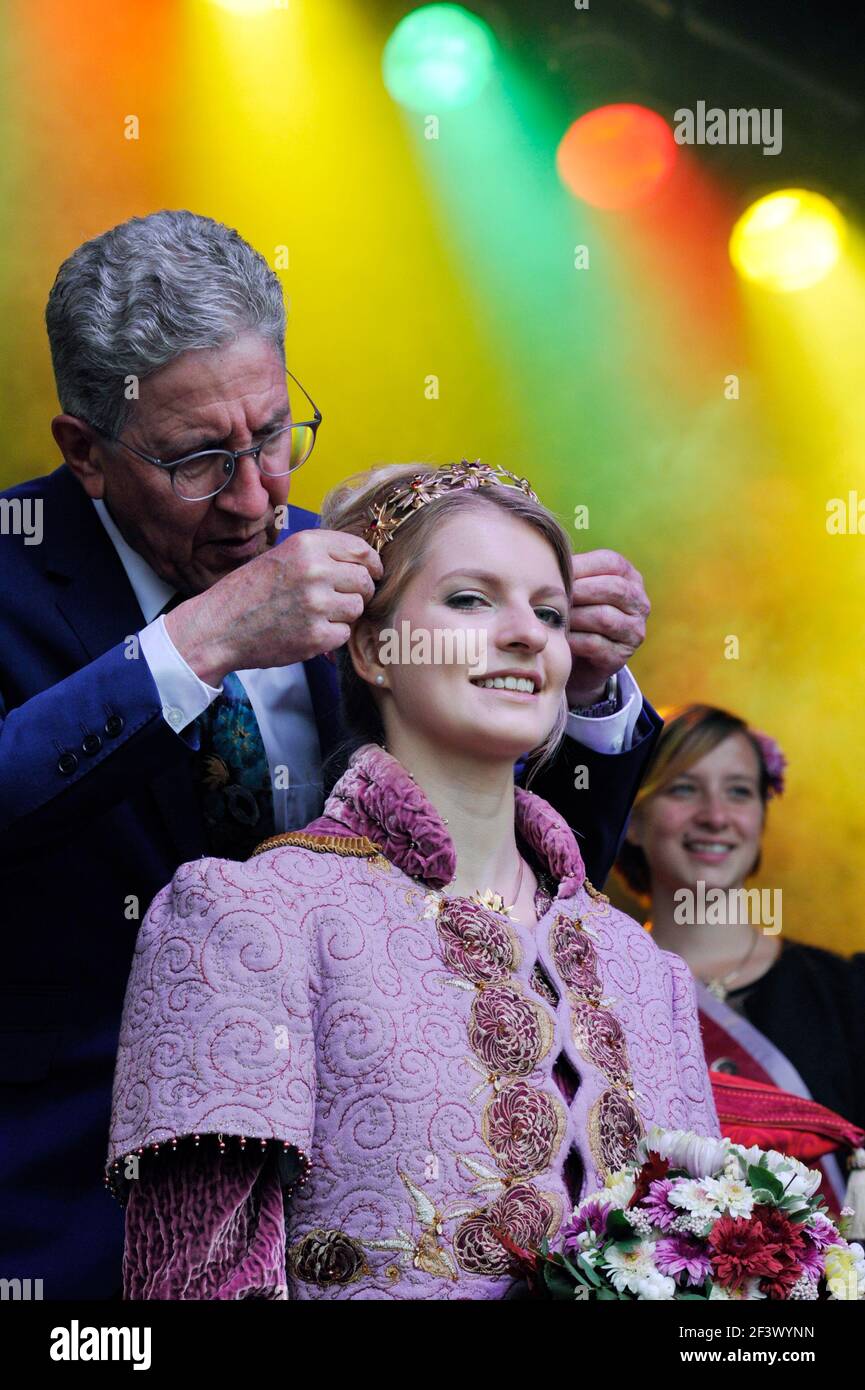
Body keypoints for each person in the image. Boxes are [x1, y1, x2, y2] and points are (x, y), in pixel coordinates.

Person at [0, 209, 662, 1299]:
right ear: (84, 451)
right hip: (56, 1213)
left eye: (272, 434)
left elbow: (522, 879)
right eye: (200, 460)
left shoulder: (358, 569)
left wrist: (584, 696)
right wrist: (198, 641)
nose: (259, 496)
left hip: (377, 1212)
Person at [106, 461, 719, 1300]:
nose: (524, 634)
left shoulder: (643, 967)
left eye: (548, 611)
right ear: (371, 647)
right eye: (470, 599)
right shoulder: (247, 915)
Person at [616, 703, 865, 1213]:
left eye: (739, 791)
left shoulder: (848, 995)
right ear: (634, 821)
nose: (715, 815)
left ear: (759, 822)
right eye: (684, 788)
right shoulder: (601, 995)